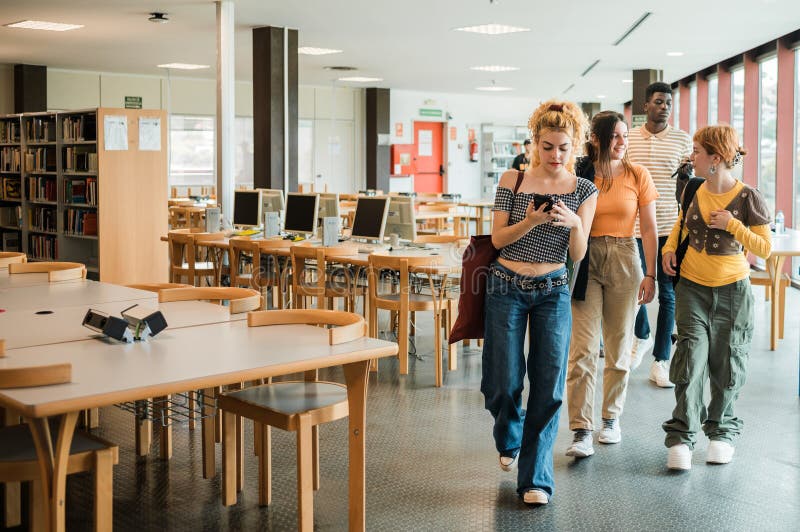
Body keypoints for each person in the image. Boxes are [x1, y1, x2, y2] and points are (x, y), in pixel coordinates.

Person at [482, 100, 597, 505]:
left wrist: (576, 224)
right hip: (505, 284)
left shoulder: (584, 189)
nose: (555, 156)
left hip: (552, 289)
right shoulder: (512, 180)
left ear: (576, 146)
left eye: (564, 148)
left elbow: (579, 253)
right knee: (503, 381)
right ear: (534, 143)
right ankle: (509, 436)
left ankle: (536, 479)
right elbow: (497, 240)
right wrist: (530, 220)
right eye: (547, 147)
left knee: (548, 385)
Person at [661, 125, 771, 470]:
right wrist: (668, 248)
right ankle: (682, 435)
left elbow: (765, 250)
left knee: (727, 365)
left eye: (697, 152)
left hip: (733, 292)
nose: (691, 157)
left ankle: (721, 432)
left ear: (716, 158)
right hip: (692, 287)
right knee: (690, 360)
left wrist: (733, 226)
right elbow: (681, 224)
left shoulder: (748, 196)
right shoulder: (693, 188)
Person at [566, 111, 658, 457]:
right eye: (615, 136)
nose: (622, 143)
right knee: (583, 350)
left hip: (624, 258)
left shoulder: (637, 174)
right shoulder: (579, 173)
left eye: (625, 137)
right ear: (597, 139)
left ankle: (610, 419)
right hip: (584, 258)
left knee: (619, 348)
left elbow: (648, 229)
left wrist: (651, 275)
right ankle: (581, 429)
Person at [626, 81, 692, 388]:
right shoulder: (629, 139)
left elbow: (690, 185)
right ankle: (642, 335)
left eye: (668, 102)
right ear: (646, 106)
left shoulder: (682, 140)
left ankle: (661, 361)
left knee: (667, 294)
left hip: (669, 227)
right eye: (659, 102)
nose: (664, 107)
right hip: (633, 226)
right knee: (632, 287)